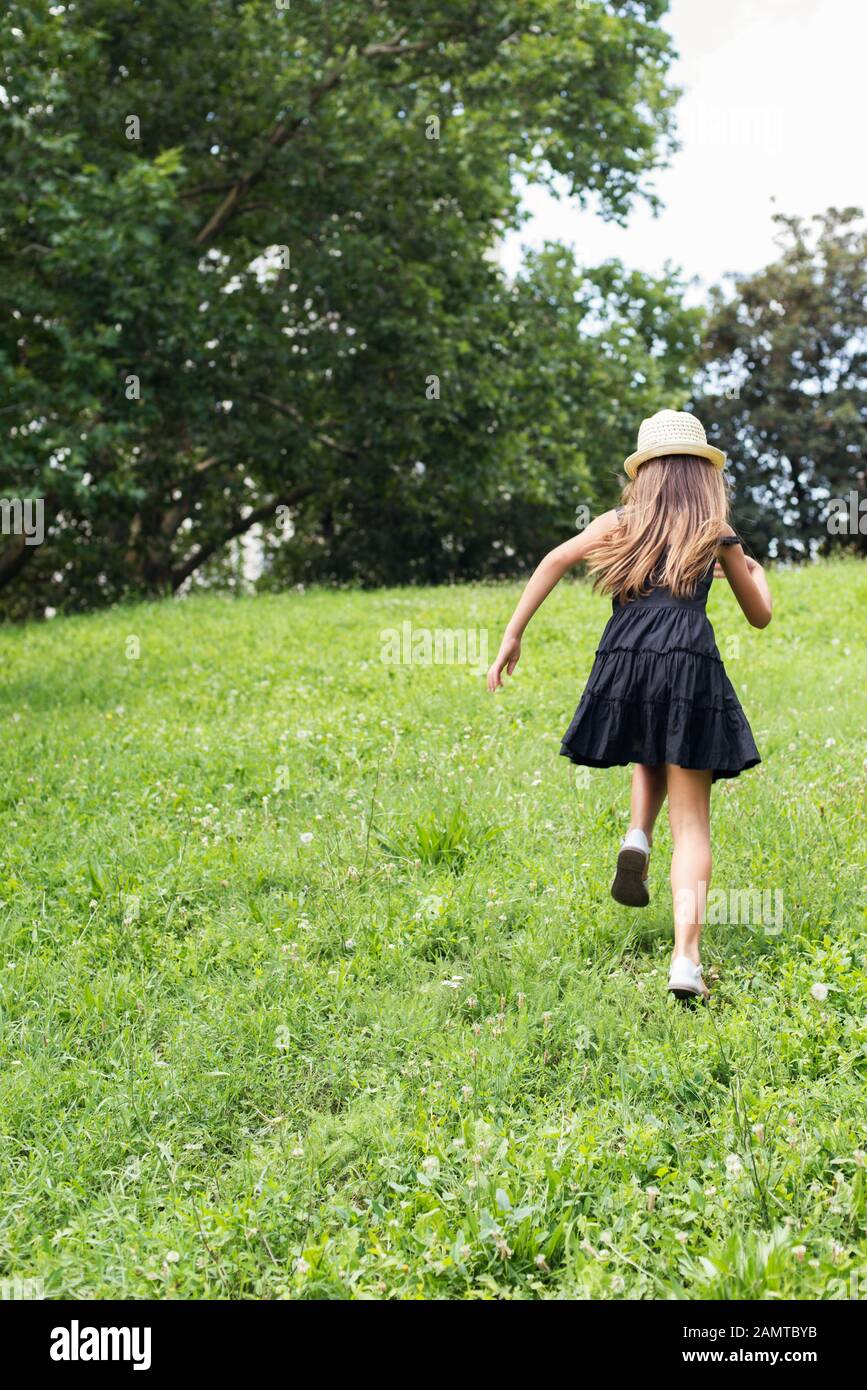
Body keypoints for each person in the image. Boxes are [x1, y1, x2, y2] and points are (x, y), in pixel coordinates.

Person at [486, 411, 772, 1002]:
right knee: (693, 822)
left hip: (626, 655)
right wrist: (750, 567)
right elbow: (760, 613)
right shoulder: (716, 531)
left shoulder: (621, 521)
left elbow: (554, 560)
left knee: (651, 744)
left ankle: (638, 835)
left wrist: (513, 634)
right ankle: (685, 961)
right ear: (702, 473)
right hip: (687, 658)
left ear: (644, 474)